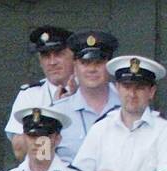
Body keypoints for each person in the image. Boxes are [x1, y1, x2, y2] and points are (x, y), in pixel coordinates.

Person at [5, 26, 77, 162]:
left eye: (59, 54)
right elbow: (19, 150)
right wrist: (55, 110)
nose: (52, 62)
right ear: (40, 61)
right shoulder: (30, 95)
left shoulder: (88, 92)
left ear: (73, 56)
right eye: (46, 56)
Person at [50, 29, 121, 163]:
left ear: (110, 65)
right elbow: (41, 164)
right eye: (85, 63)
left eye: (98, 63)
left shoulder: (127, 108)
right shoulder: (56, 113)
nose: (92, 69)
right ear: (75, 66)